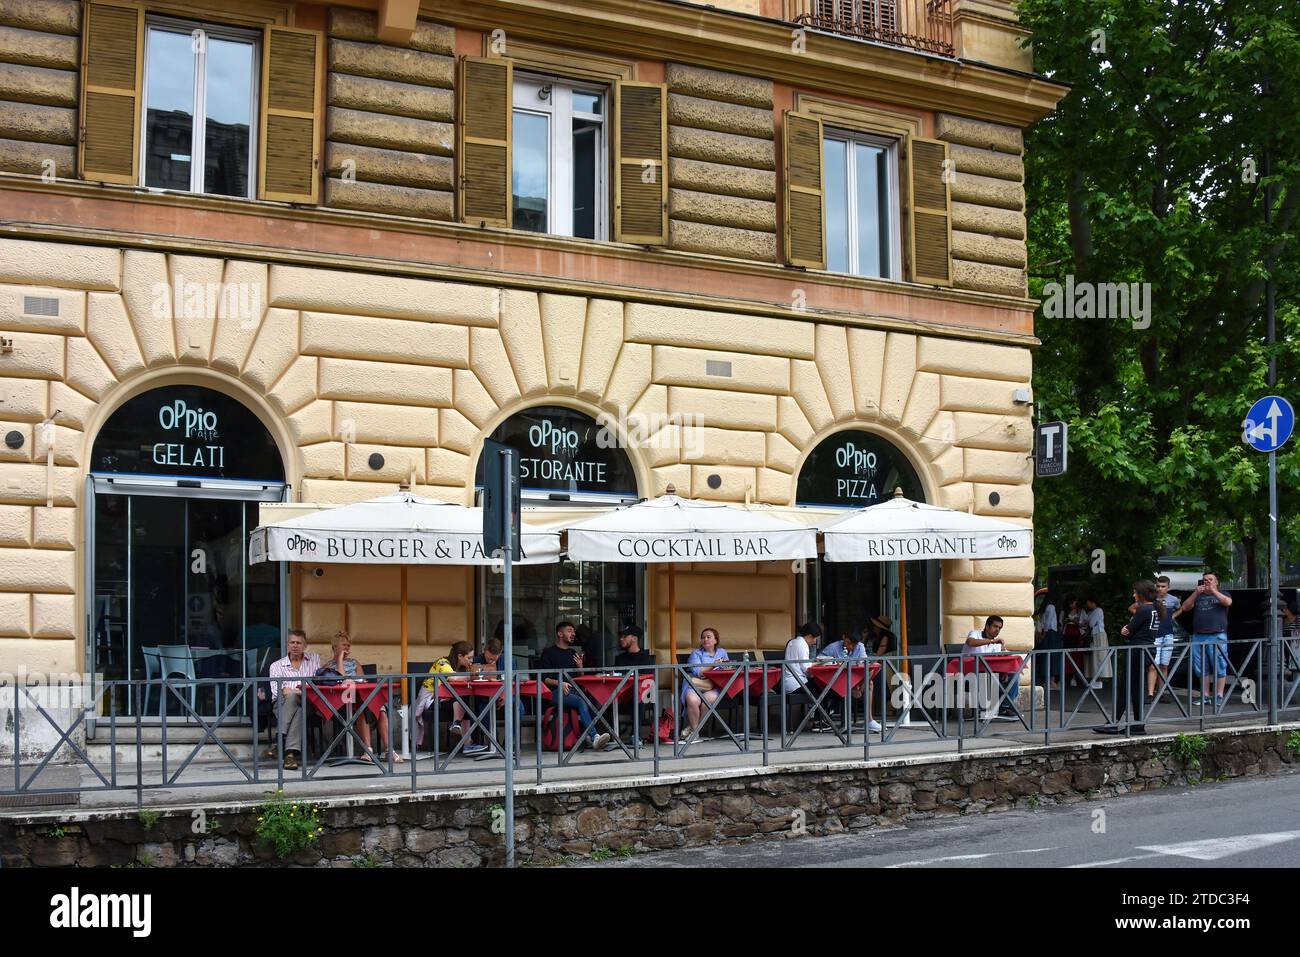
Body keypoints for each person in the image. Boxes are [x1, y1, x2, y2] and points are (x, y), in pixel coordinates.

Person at [318, 632, 403, 764]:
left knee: (380, 710)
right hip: (340, 703)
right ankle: (368, 750)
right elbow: (341, 680)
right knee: (362, 708)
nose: (347, 648)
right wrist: (339, 659)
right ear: (334, 647)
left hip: (359, 698)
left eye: (348, 645)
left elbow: (363, 681)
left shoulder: (354, 663)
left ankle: (388, 750)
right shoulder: (327, 667)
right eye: (343, 645)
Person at [1095, 580, 1162, 734]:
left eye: (1135, 592)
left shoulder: (1144, 610)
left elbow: (1129, 630)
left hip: (1137, 650)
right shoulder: (1155, 609)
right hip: (1147, 649)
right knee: (1136, 687)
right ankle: (1137, 723)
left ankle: (1114, 722)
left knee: (1125, 685)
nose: (1133, 595)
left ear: (1142, 594)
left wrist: (1126, 630)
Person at [538, 621, 612, 751]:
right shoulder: (548, 653)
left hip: (573, 691)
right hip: (554, 693)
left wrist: (580, 667)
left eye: (573, 631)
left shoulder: (572, 652)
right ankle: (594, 736)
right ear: (560, 634)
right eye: (569, 631)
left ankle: (586, 736)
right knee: (580, 702)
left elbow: (580, 677)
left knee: (596, 701)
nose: (573, 634)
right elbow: (544, 679)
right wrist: (559, 683)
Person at [268, 629, 320, 770]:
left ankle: (279, 740)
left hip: (308, 702)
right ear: (287, 645)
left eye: (298, 643)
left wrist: (293, 691)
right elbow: (278, 691)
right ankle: (290, 756)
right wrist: (301, 690)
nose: (295, 645)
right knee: (298, 710)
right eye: (292, 642)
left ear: (305, 645)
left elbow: (316, 687)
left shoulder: (314, 660)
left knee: (294, 698)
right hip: (281, 704)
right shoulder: (276, 666)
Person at [1178, 572, 1232, 706]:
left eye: (1210, 579)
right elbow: (1185, 607)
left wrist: (1213, 591)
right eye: (1205, 580)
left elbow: (1228, 602)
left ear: (1216, 582)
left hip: (1217, 635)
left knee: (1219, 665)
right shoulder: (1198, 595)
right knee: (1200, 667)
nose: (1207, 582)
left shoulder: (1223, 593)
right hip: (1198, 635)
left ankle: (1219, 695)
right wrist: (1195, 593)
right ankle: (1205, 696)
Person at [820, 630, 881, 732]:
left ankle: (869, 720)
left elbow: (864, 663)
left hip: (856, 680)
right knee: (865, 684)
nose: (851, 647)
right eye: (848, 643)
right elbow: (819, 660)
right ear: (843, 637)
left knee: (870, 681)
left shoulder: (860, 647)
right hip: (837, 681)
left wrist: (861, 685)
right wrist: (832, 661)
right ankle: (856, 692)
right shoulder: (833, 647)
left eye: (854, 645)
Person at [964, 616, 1019, 719]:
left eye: (999, 628)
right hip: (968, 673)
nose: (997, 629)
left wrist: (1005, 672)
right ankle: (981, 711)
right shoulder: (975, 634)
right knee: (985, 676)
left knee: (1013, 676)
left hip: (987, 673)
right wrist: (992, 641)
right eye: (995, 626)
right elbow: (970, 642)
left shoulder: (996, 644)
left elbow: (998, 662)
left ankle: (1004, 707)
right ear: (987, 626)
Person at [681, 628, 728, 738]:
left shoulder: (722, 652)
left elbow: (726, 668)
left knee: (709, 700)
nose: (705, 639)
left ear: (716, 640)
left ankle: (692, 730)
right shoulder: (696, 654)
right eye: (703, 637)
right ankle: (695, 732)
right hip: (696, 684)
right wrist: (714, 665)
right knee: (693, 700)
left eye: (708, 637)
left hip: (714, 685)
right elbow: (699, 673)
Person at [1144, 577, 1181, 701]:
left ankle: (1161, 693)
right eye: (1158, 586)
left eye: (1163, 586)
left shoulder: (1173, 600)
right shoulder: (1151, 599)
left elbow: (1180, 609)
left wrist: (1172, 617)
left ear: (1168, 587)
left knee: (1164, 665)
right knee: (1153, 665)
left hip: (1168, 635)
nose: (1160, 589)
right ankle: (1150, 693)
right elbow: (1134, 607)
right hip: (1155, 635)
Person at [1034, 591, 1062, 689]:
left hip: (1046, 634)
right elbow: (1048, 623)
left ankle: (1048, 681)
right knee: (1053, 657)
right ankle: (1052, 682)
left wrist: (1041, 635)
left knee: (1046, 657)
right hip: (1051, 634)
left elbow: (1042, 623)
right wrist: (1044, 634)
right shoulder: (1051, 607)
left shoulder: (1044, 609)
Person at [1084, 596, 1111, 690]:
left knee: (1099, 656)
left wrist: (1086, 621)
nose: (1087, 605)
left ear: (1092, 602)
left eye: (1088, 603)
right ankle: (1096, 679)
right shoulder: (1093, 611)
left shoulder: (1098, 610)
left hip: (1098, 635)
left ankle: (1099, 680)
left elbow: (1090, 623)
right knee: (1095, 657)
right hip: (1095, 635)